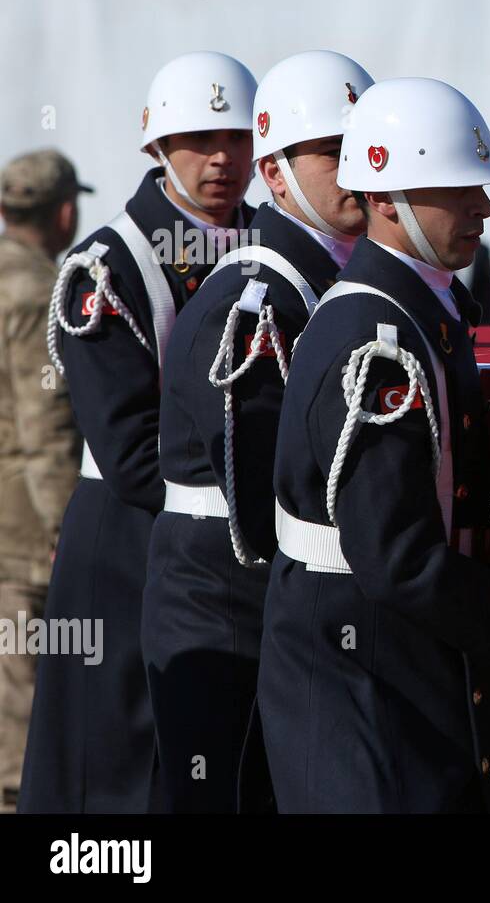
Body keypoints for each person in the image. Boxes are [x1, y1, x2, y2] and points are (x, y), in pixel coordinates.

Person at [258, 77, 490, 813]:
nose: (483, 208)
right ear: (384, 196)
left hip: (408, 663)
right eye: (458, 189)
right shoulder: (375, 339)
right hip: (367, 677)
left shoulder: (426, 309)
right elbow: (399, 561)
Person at [22, 51, 256, 814]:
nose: (221, 159)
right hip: (130, 543)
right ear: (157, 146)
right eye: (199, 140)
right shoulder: (105, 266)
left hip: (230, 551)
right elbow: (128, 452)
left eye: (236, 137)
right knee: (116, 776)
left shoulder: (267, 243)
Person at [141, 51, 373, 813]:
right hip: (228, 609)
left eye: (365, 147)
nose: (357, 168)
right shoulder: (255, 299)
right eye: (332, 152)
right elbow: (265, 501)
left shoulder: (331, 280)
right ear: (274, 174)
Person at [0, 150, 86, 809]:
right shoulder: (36, 291)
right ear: (64, 212)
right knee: (22, 714)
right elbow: (45, 425)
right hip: (24, 532)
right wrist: (64, 530)